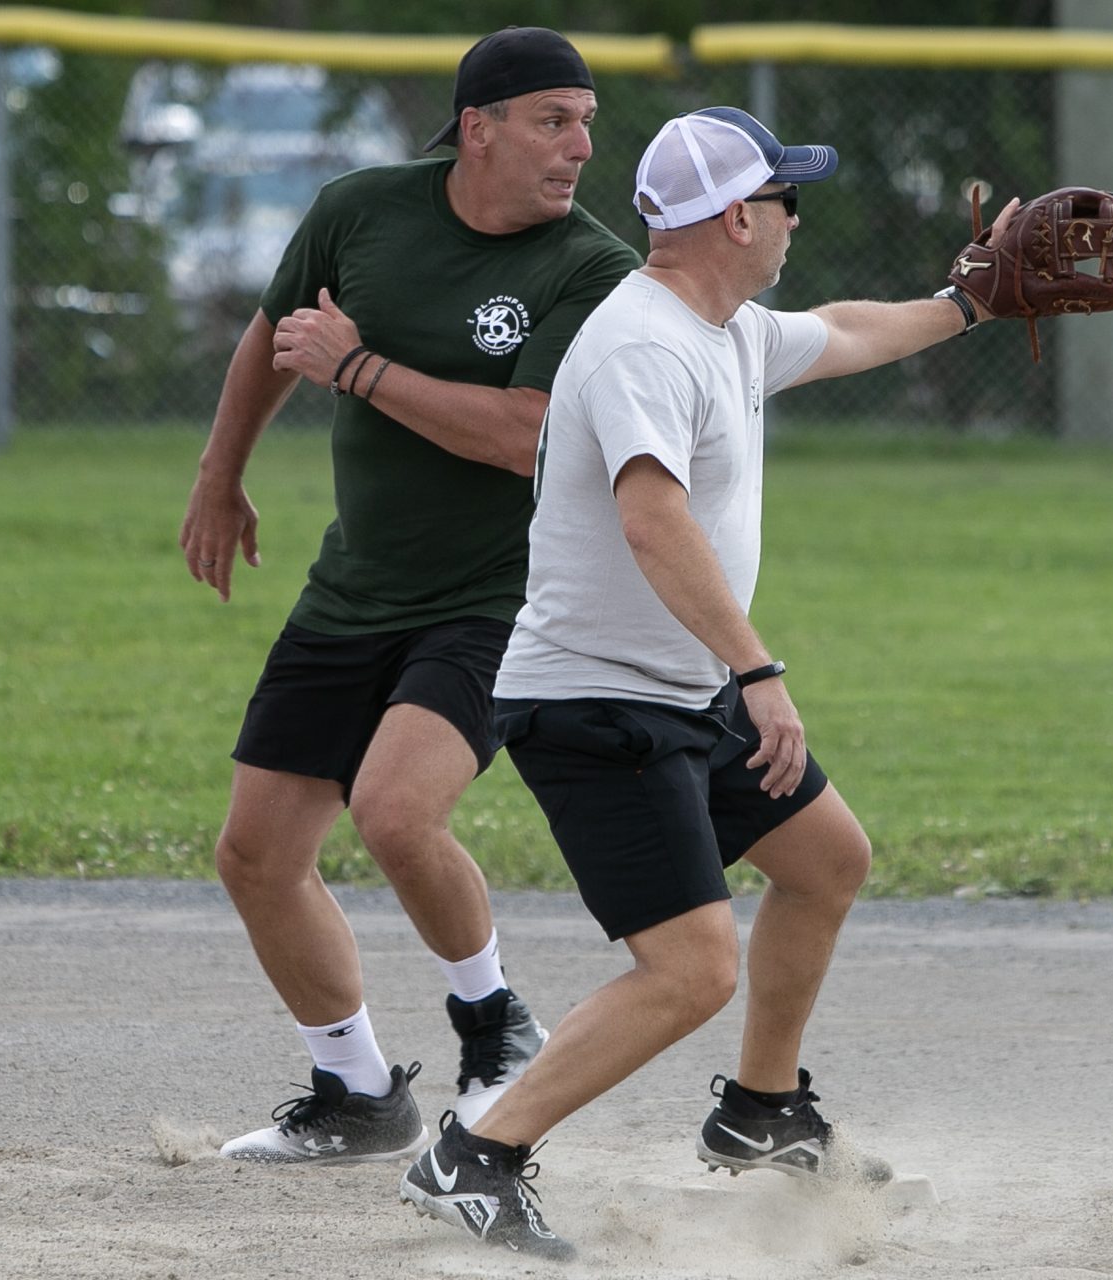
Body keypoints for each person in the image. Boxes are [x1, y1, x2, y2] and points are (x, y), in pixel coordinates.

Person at [399, 105, 1019, 1258]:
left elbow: (841, 331)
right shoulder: (645, 341)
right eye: (787, 197)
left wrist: (972, 301)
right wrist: (759, 670)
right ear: (737, 216)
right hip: (596, 700)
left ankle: (760, 1114)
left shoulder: (725, 326)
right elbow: (650, 516)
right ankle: (476, 1150)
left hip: (678, 689)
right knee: (689, 967)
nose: (794, 217)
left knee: (826, 857)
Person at [176, 27, 640, 1165]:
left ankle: (494, 1020)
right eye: (553, 119)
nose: (581, 144)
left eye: (586, 120)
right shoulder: (361, 209)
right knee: (256, 854)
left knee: (394, 809)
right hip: (355, 585)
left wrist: (360, 369)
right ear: (476, 128)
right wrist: (219, 473)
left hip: (498, 595)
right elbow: (273, 338)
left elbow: (526, 437)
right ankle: (357, 1090)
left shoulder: (589, 268)